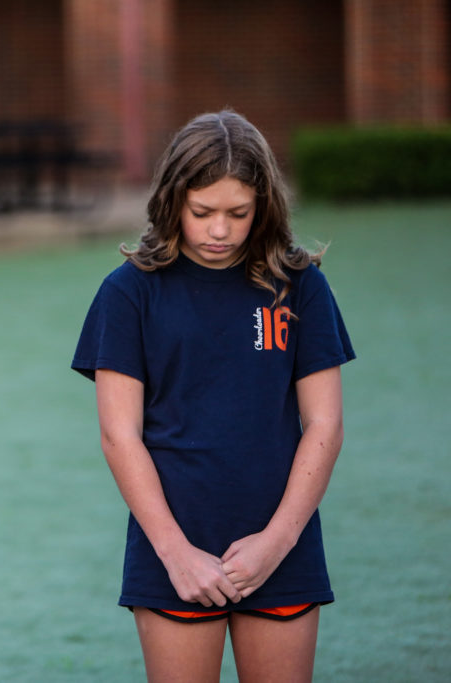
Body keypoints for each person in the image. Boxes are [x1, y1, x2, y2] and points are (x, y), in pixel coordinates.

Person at [71, 110, 355, 682]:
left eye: (238, 213)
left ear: (263, 207)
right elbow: (119, 435)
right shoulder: (128, 292)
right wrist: (175, 552)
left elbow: (325, 425)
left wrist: (278, 541)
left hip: (282, 545)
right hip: (172, 549)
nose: (219, 230)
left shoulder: (300, 286)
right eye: (202, 212)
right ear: (172, 201)